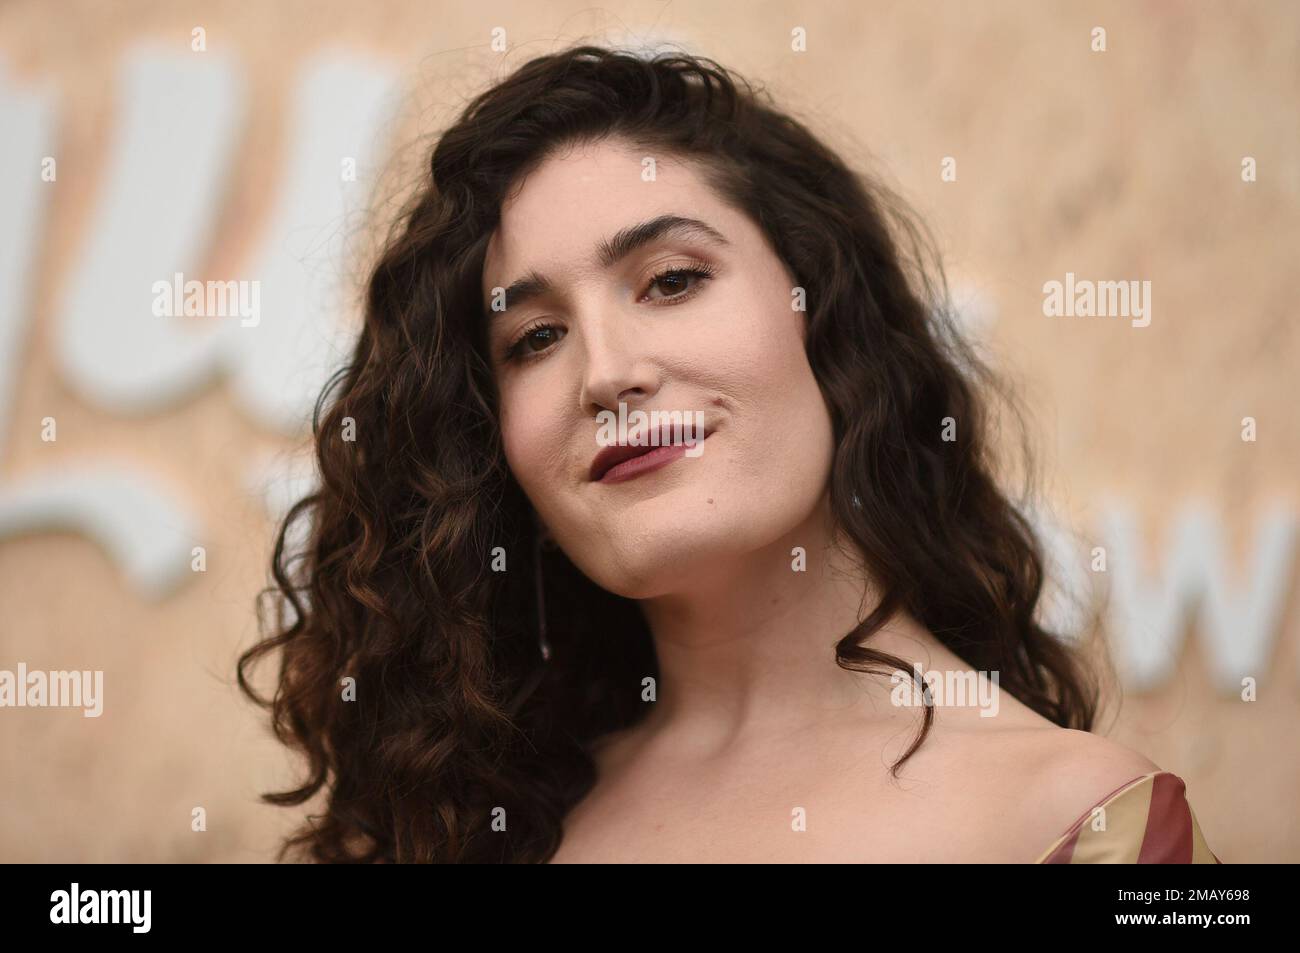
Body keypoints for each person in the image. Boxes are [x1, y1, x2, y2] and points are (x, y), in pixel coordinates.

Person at [237, 44, 1220, 864]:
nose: (606, 372)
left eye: (669, 279)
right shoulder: (467, 819)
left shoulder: (1092, 820)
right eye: (533, 338)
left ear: (823, 320)